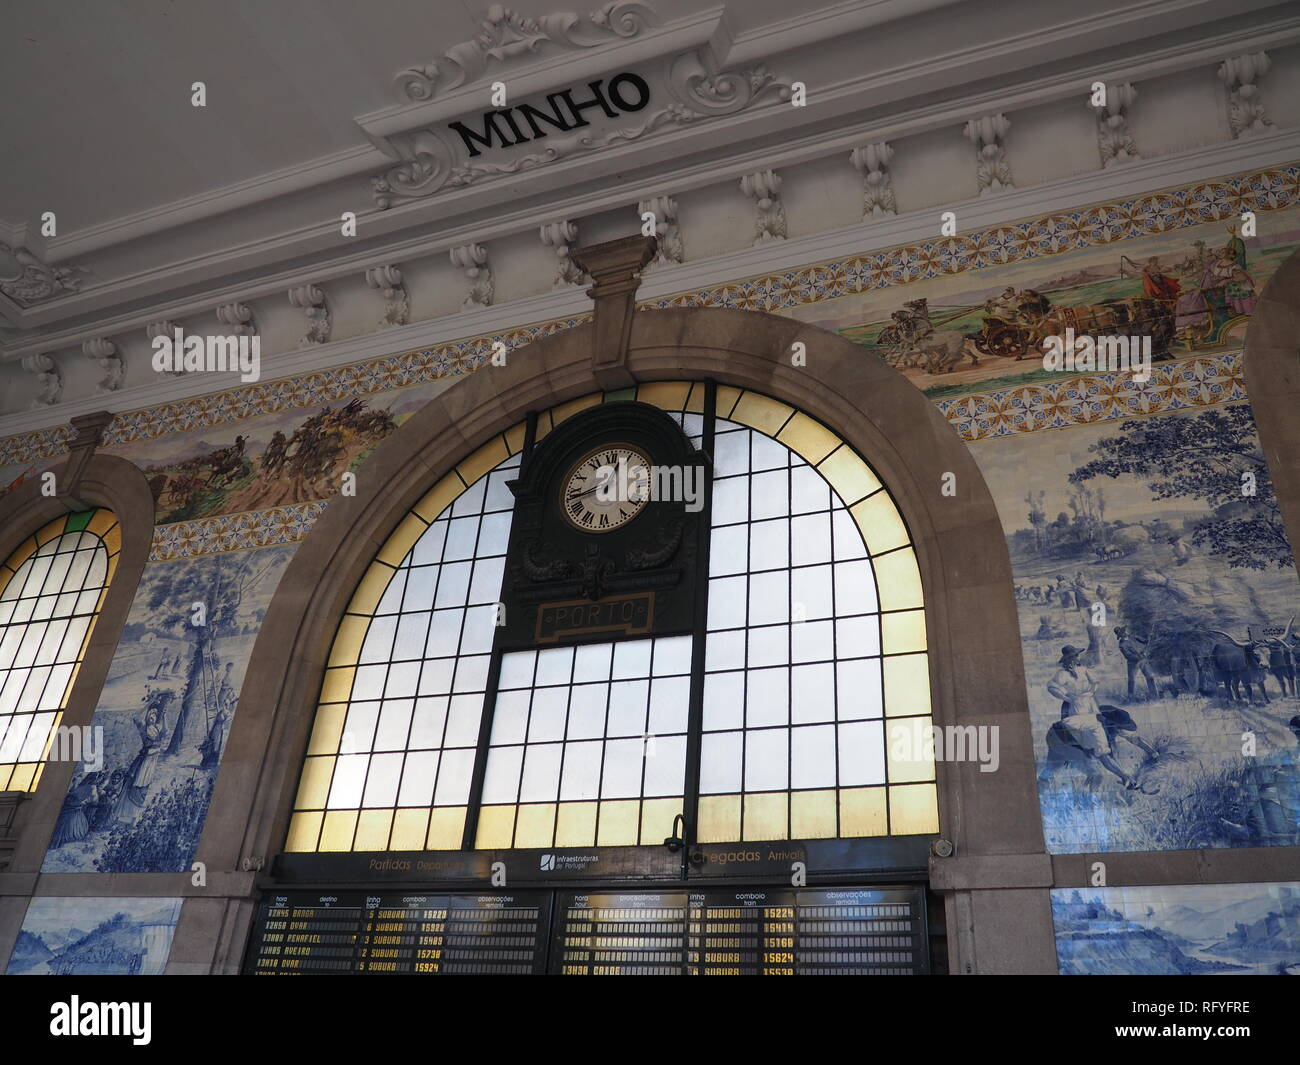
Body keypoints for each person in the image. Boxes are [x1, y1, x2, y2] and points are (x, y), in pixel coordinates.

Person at [1047, 645, 1141, 789]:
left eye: (1076, 656)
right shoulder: (1062, 674)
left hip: (1089, 703)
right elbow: (1051, 687)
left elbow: (1095, 682)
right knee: (1082, 731)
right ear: (1067, 659)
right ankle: (1084, 755)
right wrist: (1067, 698)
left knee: (1098, 732)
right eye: (1072, 657)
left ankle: (1118, 773)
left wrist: (1091, 692)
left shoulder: (1084, 670)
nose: (1075, 659)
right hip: (1075, 706)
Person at [1115, 627, 1159, 701]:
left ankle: (1154, 695)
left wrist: (1150, 637)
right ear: (1120, 635)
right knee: (1132, 680)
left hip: (1142, 660)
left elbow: (1144, 641)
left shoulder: (1133, 637)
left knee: (1149, 676)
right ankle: (1131, 697)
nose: (1124, 633)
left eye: (1123, 632)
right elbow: (1128, 655)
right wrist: (1140, 656)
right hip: (1133, 663)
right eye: (1121, 633)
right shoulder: (1122, 645)